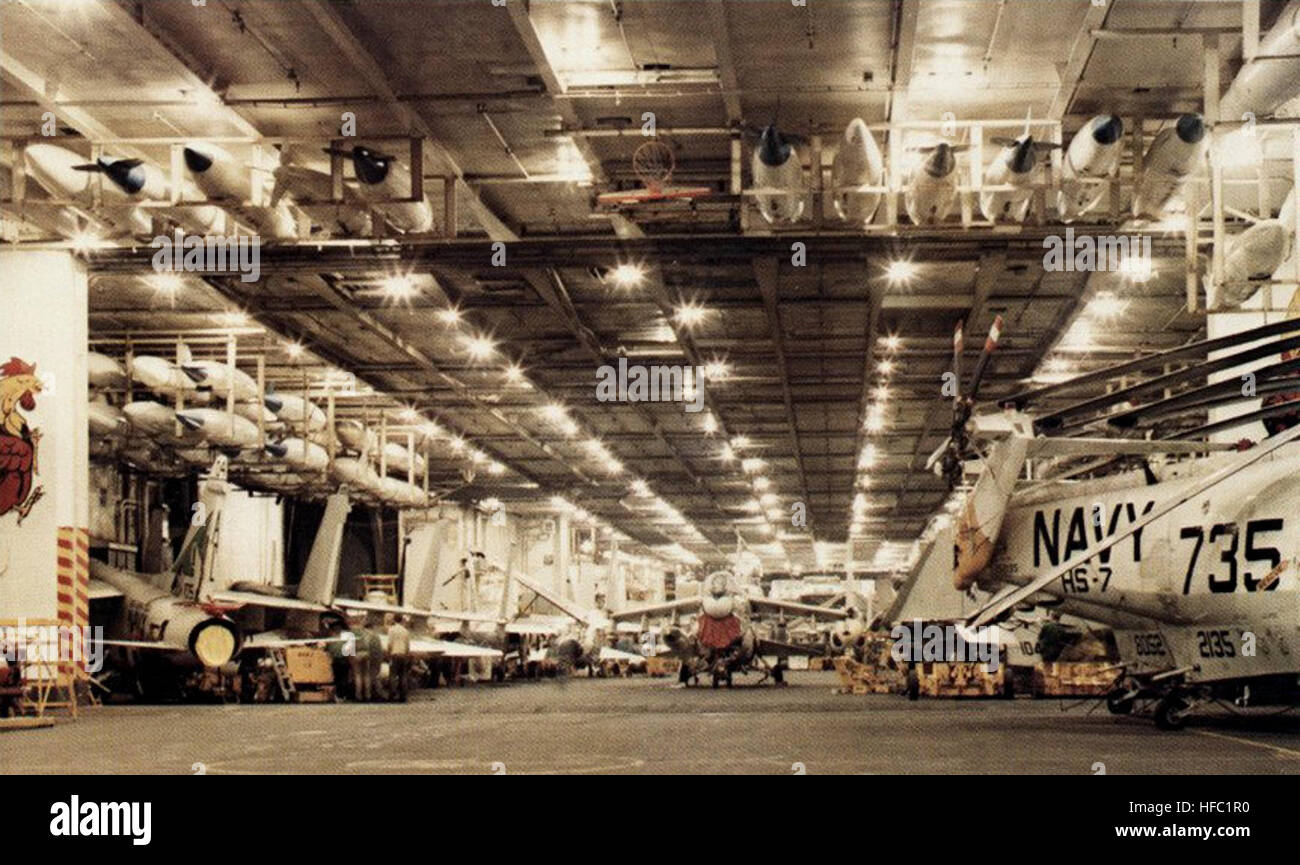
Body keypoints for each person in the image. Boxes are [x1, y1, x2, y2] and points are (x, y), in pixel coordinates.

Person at [387, 615, 411, 702]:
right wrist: (407, 656)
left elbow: (389, 644)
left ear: (394, 620)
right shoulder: (406, 631)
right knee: (403, 676)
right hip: (403, 655)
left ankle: (392, 696)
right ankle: (403, 696)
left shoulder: (391, 630)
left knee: (393, 675)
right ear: (401, 620)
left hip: (395, 654)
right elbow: (408, 646)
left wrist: (388, 655)